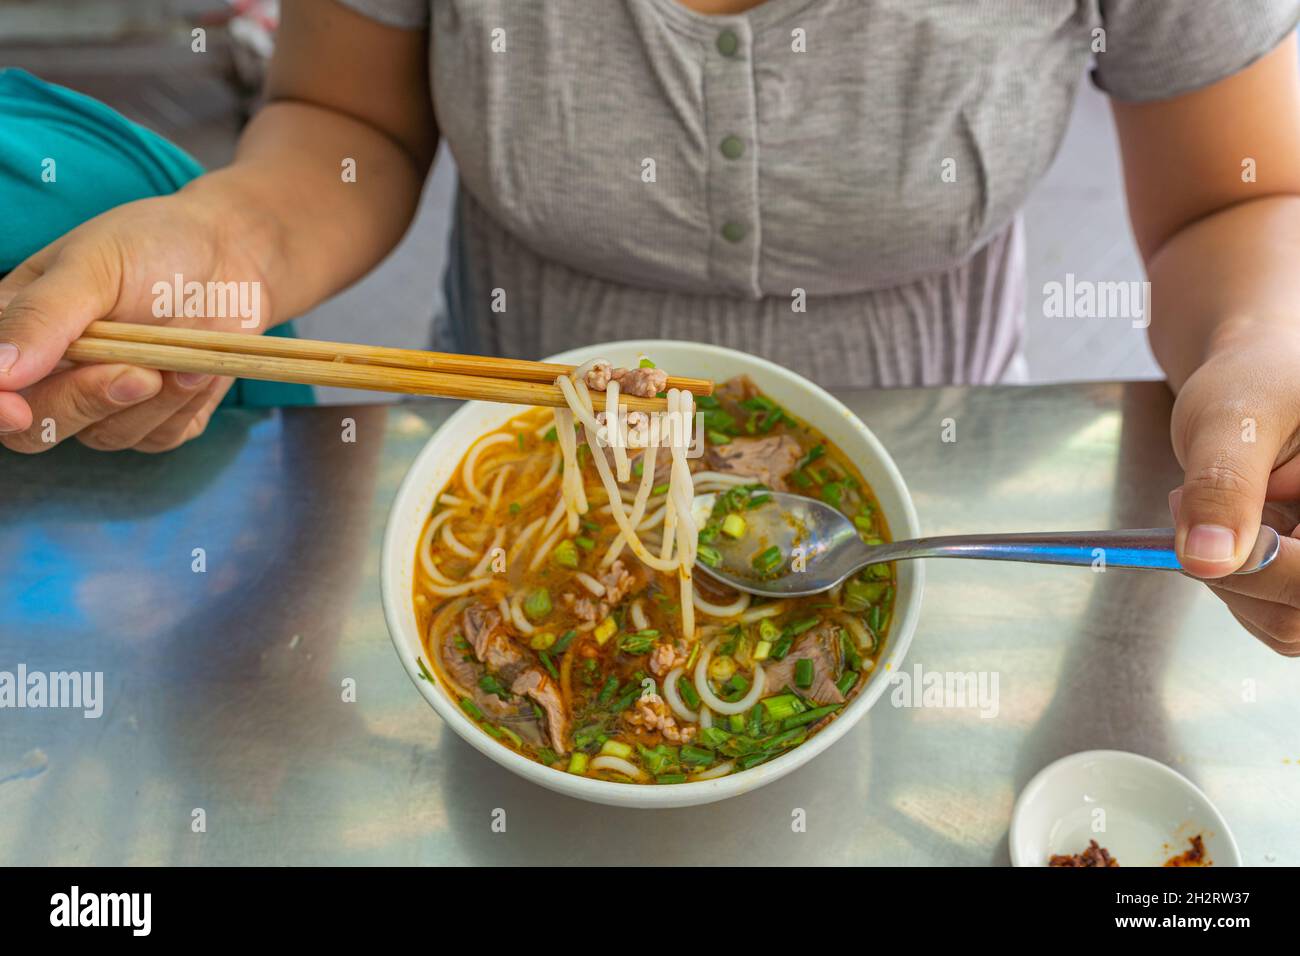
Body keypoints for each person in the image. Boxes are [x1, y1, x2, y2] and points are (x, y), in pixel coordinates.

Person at [1, 0, 1299, 656]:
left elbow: (1229, 203)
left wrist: (1256, 359)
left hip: (927, 514)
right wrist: (218, 253)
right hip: (511, 487)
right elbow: (351, 130)